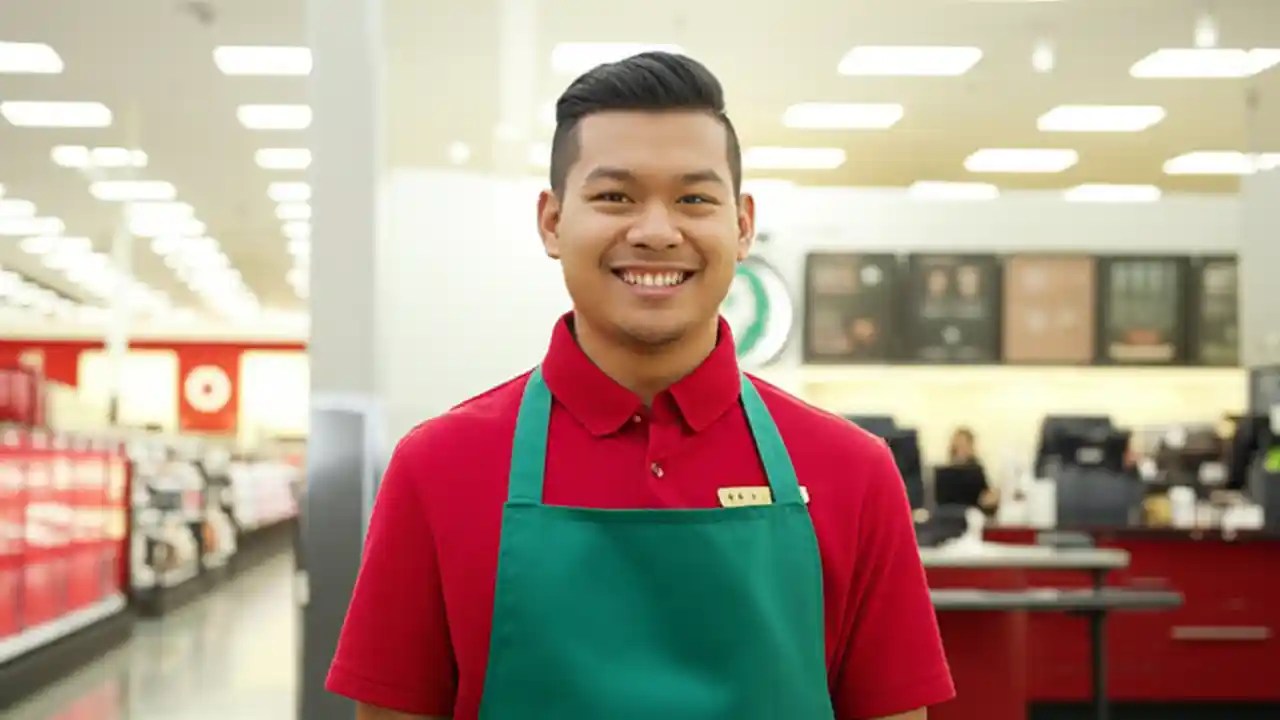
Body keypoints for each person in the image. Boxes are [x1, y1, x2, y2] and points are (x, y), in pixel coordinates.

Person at [326, 52, 955, 720]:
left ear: (742, 226)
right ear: (552, 222)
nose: (656, 232)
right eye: (615, 197)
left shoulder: (853, 473)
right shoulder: (437, 468)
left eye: (694, 199)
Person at [944, 427, 999, 513]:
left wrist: (990, 498)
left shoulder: (976, 470)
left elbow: (985, 495)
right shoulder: (946, 471)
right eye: (957, 444)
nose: (960, 447)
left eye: (963, 444)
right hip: (950, 511)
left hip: (972, 511)